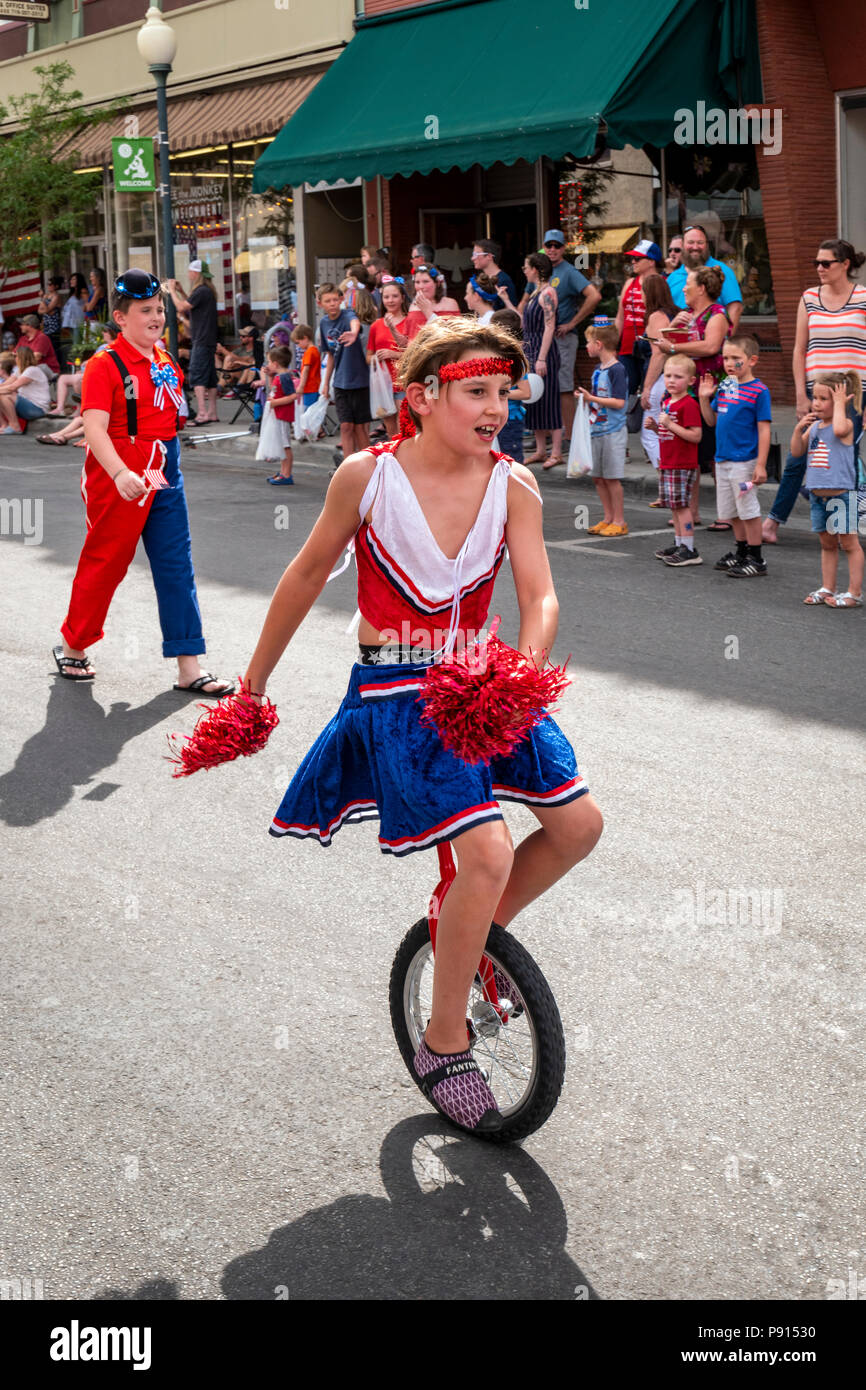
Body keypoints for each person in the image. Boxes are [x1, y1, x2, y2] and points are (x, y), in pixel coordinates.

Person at [237, 316, 602, 1133]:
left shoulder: (515, 483)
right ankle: (443, 1039)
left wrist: (523, 675)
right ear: (422, 396)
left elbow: (538, 596)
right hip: (395, 690)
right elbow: (302, 578)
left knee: (579, 825)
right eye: (477, 391)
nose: (496, 408)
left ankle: (462, 946)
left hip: (484, 677)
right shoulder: (365, 477)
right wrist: (252, 688)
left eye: (505, 393)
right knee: (487, 850)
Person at [54, 268, 233, 694]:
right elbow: (95, 426)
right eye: (145, 311)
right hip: (122, 465)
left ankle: (189, 666)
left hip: (163, 465)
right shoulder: (105, 363)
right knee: (107, 561)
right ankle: (74, 645)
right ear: (121, 318)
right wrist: (119, 472)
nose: (156, 318)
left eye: (159, 310)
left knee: (176, 565)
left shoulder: (164, 359)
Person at [763, 239, 866, 546]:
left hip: (852, 395)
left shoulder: (863, 298)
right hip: (817, 393)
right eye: (816, 264)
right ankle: (773, 522)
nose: (819, 269)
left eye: (826, 263)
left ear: (845, 264)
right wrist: (800, 395)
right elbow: (799, 350)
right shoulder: (809, 298)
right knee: (799, 457)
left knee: (845, 458)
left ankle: (843, 524)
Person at [657, 264, 730, 529]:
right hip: (688, 388)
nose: (684, 288)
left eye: (688, 283)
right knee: (691, 452)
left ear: (701, 288)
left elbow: (710, 346)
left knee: (716, 450)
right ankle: (692, 510)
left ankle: (725, 513)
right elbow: (668, 349)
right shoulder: (687, 314)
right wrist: (673, 327)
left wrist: (674, 344)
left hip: (714, 388)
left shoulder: (717, 314)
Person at [698, 336, 771, 577]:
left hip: (744, 460)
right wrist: (703, 399)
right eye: (726, 358)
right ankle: (741, 552)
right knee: (732, 512)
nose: (729, 363)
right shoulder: (727, 385)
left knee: (748, 510)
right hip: (723, 459)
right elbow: (711, 421)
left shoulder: (759, 391)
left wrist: (760, 465)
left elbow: (764, 429)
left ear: (752, 361)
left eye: (735, 359)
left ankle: (756, 557)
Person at [796, 374, 864, 608]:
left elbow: (837, 430)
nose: (816, 403)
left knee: (849, 544)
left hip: (841, 497)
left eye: (823, 398)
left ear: (839, 401)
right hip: (818, 496)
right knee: (827, 544)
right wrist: (798, 431)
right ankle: (828, 587)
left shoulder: (846, 425)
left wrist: (839, 405)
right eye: (815, 397)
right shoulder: (815, 427)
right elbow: (797, 451)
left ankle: (854, 593)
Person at [536, 230, 601, 446]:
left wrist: (573, 323)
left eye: (557, 245)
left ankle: (569, 436)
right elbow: (527, 298)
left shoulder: (569, 271)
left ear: (564, 248)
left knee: (563, 386)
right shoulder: (540, 271)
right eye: (549, 245)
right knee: (542, 385)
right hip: (542, 336)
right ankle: (545, 434)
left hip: (562, 336)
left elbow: (594, 295)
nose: (552, 249)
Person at [646, 354, 703, 566]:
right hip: (668, 461)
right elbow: (668, 433)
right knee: (673, 505)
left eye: (678, 376)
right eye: (668, 375)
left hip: (682, 463)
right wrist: (656, 427)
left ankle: (689, 548)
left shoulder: (689, 404)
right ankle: (680, 543)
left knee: (681, 506)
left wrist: (669, 424)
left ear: (691, 381)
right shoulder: (668, 401)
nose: (671, 380)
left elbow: (695, 436)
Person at [578, 318, 629, 536]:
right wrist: (587, 400)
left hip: (613, 430)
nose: (586, 347)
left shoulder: (617, 370)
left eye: (588, 342)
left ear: (599, 344)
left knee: (611, 478)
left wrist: (592, 399)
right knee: (598, 477)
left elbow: (619, 402)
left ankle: (619, 519)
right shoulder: (599, 369)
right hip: (597, 429)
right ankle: (608, 517)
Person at [514, 253, 561, 467]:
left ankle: (557, 451)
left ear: (537, 269)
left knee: (550, 399)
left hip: (544, 352)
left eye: (526, 266)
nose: (524, 270)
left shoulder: (548, 292)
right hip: (531, 350)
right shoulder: (535, 292)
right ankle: (541, 449)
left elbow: (549, 326)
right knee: (535, 400)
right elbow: (524, 322)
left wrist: (542, 358)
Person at [318, 282, 371, 464]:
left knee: (359, 427)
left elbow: (354, 322)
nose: (332, 304)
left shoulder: (348, 314)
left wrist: (354, 333)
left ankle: (367, 465)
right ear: (320, 304)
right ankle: (348, 468)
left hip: (359, 380)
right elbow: (330, 355)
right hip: (340, 382)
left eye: (335, 299)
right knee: (346, 426)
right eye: (327, 301)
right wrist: (325, 383)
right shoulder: (324, 323)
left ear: (341, 300)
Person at [638, 274, 678, 492]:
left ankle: (666, 485)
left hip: (661, 378)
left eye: (643, 292)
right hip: (671, 376)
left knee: (651, 434)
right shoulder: (674, 312)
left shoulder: (656, 317)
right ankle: (668, 486)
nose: (641, 297)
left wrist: (646, 388)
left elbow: (657, 354)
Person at [168, 260, 219, 425]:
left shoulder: (201, 290)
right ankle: (212, 412)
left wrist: (172, 292)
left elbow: (182, 307)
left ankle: (202, 414)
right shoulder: (206, 291)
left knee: (197, 375)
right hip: (208, 338)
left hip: (202, 339)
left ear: (196, 274)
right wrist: (182, 291)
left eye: (190, 272)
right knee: (210, 377)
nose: (188, 275)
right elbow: (191, 303)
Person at [665, 225, 742, 332]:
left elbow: (735, 308)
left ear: (706, 245)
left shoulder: (722, 270)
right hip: (680, 344)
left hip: (712, 342)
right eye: (690, 242)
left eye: (700, 243)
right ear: (682, 245)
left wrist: (725, 340)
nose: (695, 247)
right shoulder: (672, 278)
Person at [615, 240, 664, 400]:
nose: (633, 262)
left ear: (651, 261)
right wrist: (613, 345)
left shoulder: (662, 283)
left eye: (637, 258)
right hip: (627, 347)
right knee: (623, 392)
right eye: (632, 258)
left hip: (650, 348)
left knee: (648, 393)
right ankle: (627, 425)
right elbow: (620, 317)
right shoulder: (630, 282)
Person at [366, 280, 411, 438]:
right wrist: (376, 357)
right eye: (386, 297)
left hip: (403, 381)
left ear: (402, 298)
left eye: (394, 296)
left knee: (405, 426)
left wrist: (395, 354)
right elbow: (368, 356)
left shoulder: (409, 321)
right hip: (383, 385)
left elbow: (417, 353)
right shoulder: (376, 325)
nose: (390, 300)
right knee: (390, 430)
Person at [47, 324, 120, 416]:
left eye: (105, 331)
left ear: (111, 333)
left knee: (79, 380)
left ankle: (79, 409)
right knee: (63, 378)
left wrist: (89, 363)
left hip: (97, 374)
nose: (102, 333)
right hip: (86, 372)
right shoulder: (102, 346)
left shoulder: (115, 347)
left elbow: (104, 362)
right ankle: (60, 408)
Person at [490, 307, 532, 462]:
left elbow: (526, 392)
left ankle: (516, 486)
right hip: (497, 415)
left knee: (511, 461)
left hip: (511, 418)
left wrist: (499, 393)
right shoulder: (496, 356)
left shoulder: (515, 359)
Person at [258, 345, 295, 486]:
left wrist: (275, 403)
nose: (267, 365)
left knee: (285, 445)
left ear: (275, 364)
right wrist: (269, 375)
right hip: (278, 414)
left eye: (269, 362)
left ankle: (287, 474)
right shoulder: (279, 376)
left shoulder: (285, 377)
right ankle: (283, 471)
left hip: (282, 415)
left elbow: (292, 396)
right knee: (281, 444)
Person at [0, 345, 51, 433]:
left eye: (15, 356)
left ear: (22, 357)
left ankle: (15, 426)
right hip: (27, 406)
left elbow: (12, 388)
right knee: (3, 393)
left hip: (38, 409)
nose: (14, 358)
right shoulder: (19, 371)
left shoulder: (32, 370)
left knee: (6, 395)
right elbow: (5, 384)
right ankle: (4, 425)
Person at [404, 266, 461, 335]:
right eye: (417, 282)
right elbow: (408, 337)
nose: (421, 286)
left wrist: (428, 312)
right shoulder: (413, 306)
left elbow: (453, 335)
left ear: (437, 283)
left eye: (426, 281)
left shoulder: (450, 304)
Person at [216, 324, 263, 391]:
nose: (240, 337)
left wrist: (223, 350)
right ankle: (219, 388)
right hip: (238, 373)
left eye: (243, 336)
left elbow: (249, 361)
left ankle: (230, 389)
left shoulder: (257, 350)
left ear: (251, 338)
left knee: (248, 368)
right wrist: (220, 352)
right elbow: (230, 357)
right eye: (240, 336)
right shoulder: (241, 349)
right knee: (227, 360)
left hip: (250, 375)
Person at [470, 240, 517, 305]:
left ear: (489, 256)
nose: (472, 258)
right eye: (473, 254)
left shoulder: (504, 281)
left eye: (475, 254)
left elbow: (510, 312)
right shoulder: (480, 279)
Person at [37, 277, 64, 363]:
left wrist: (42, 300)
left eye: (50, 284)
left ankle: (58, 365)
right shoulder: (46, 296)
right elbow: (39, 310)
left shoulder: (56, 296)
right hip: (46, 324)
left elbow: (47, 310)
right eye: (48, 284)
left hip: (54, 325)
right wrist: (45, 308)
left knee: (54, 346)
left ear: (56, 286)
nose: (48, 286)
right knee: (47, 345)